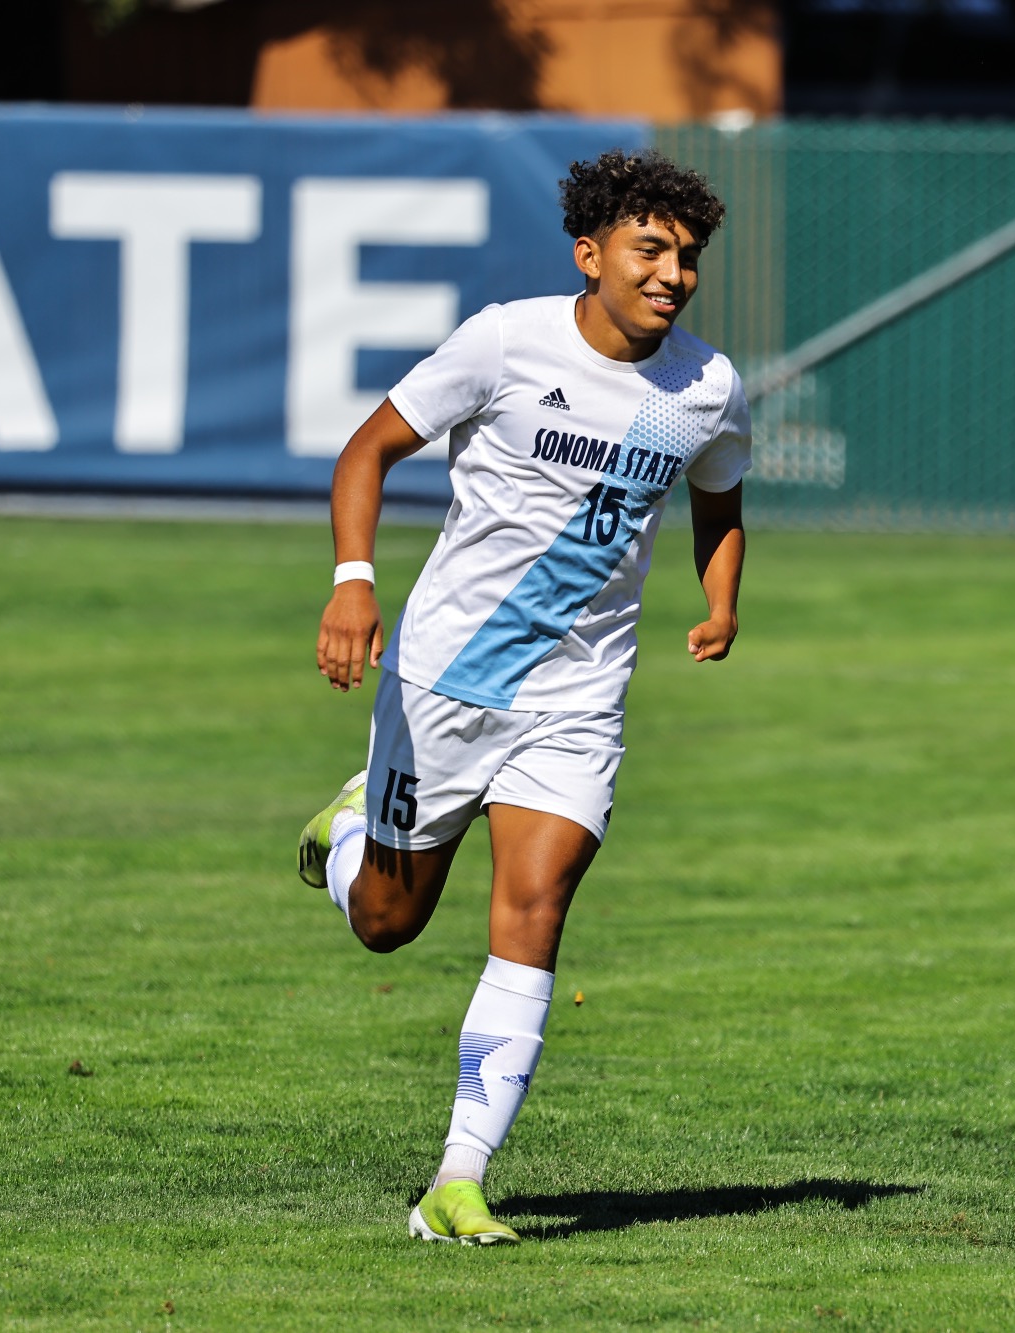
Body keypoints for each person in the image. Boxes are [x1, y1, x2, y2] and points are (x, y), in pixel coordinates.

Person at [295, 148, 750, 1245]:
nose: (671, 274)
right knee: (387, 923)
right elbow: (369, 449)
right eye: (649, 249)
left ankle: (457, 1182)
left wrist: (721, 601)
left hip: (577, 697)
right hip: (444, 678)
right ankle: (350, 827)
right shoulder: (505, 340)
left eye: (685, 257)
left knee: (534, 910)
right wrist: (352, 582)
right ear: (589, 255)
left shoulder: (704, 387)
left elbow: (719, 497)